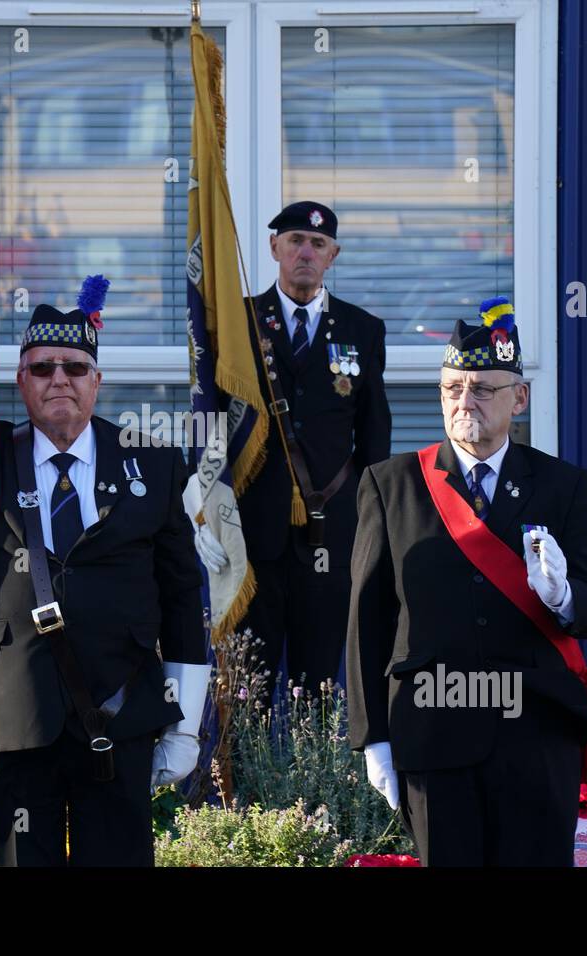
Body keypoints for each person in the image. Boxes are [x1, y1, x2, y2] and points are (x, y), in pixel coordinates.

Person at [345, 297, 587, 866]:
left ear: (520, 397)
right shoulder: (390, 486)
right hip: (432, 733)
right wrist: (374, 739)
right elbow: (366, 622)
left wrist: (560, 595)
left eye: (483, 389)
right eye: (452, 389)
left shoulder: (563, 486)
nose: (464, 403)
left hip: (536, 734)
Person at [0, 277, 210, 866]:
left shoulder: (152, 462)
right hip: (16, 719)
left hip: (120, 711)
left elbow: (183, 597)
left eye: (76, 368)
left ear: (97, 381)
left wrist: (184, 724)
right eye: (42, 368)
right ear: (21, 382)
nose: (60, 379)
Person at [210, 201, 391, 695]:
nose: (305, 253)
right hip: (253, 530)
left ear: (333, 255)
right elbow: (211, 420)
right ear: (274, 248)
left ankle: (320, 776)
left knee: (319, 683)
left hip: (331, 531)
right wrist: (206, 507)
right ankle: (244, 775)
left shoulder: (361, 329)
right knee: (250, 686)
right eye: (295, 241)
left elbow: (375, 434)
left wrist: (374, 522)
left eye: (317, 244)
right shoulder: (238, 324)